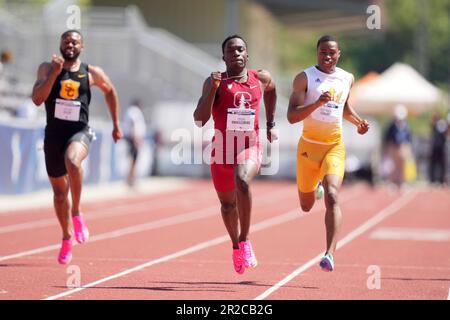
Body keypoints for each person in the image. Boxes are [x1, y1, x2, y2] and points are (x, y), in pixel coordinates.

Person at [31, 30, 123, 264]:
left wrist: (116, 124)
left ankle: (77, 212)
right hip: (53, 135)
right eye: (66, 41)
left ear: (82, 45)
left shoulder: (91, 72)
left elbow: (110, 90)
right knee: (60, 194)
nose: (70, 45)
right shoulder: (46, 68)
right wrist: (54, 72)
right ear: (60, 45)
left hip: (79, 131)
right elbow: (37, 99)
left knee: (73, 162)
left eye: (75, 42)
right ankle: (65, 237)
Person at [193, 35, 277, 274]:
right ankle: (236, 246)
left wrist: (270, 124)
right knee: (228, 206)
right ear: (224, 57)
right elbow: (199, 120)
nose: (236, 54)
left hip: (249, 146)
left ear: (247, 54)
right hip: (221, 150)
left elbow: (271, 91)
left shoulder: (260, 78)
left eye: (241, 50)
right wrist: (212, 90)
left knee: (242, 179)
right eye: (231, 51)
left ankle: (246, 239)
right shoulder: (214, 82)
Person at [287, 35, 370, 272]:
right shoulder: (304, 78)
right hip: (308, 149)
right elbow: (292, 116)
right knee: (305, 206)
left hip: (334, 146)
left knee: (333, 196)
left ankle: (330, 253)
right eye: (323, 52)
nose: (327, 57)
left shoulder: (347, 78)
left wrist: (357, 122)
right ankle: (316, 188)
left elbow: (343, 106)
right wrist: (316, 104)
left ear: (339, 54)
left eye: (332, 53)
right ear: (317, 53)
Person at [383, 104, 413, 187]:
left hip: (403, 146)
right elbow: (387, 138)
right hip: (394, 147)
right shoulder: (392, 126)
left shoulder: (406, 126)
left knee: (402, 166)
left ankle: (401, 182)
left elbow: (409, 138)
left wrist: (408, 148)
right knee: (393, 166)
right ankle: (393, 182)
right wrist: (387, 148)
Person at [123, 99, 147, 187]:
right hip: (133, 138)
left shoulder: (131, 111)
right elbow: (133, 123)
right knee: (133, 159)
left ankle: (131, 178)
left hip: (132, 138)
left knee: (134, 159)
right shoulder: (134, 111)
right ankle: (130, 179)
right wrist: (136, 137)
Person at [428, 113, 448, 185]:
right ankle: (432, 180)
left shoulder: (441, 125)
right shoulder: (434, 126)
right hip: (435, 148)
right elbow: (432, 138)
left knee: (442, 165)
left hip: (441, 148)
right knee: (433, 164)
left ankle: (441, 180)